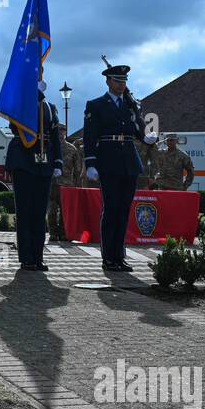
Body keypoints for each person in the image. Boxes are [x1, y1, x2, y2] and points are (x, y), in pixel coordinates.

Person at [83, 63, 155, 272]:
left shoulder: (132, 105)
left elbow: (137, 128)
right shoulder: (96, 105)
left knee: (123, 211)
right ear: (108, 81)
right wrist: (90, 162)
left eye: (124, 81)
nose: (121, 85)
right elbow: (89, 136)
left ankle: (119, 256)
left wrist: (146, 137)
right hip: (108, 160)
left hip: (129, 162)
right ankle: (108, 257)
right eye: (117, 81)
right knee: (111, 209)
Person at [6, 87, 63, 271]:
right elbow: (15, 126)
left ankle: (38, 256)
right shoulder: (20, 101)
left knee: (40, 212)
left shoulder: (50, 106)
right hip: (23, 158)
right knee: (25, 211)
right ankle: (26, 257)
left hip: (44, 159)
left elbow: (54, 136)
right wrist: (32, 96)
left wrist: (58, 162)